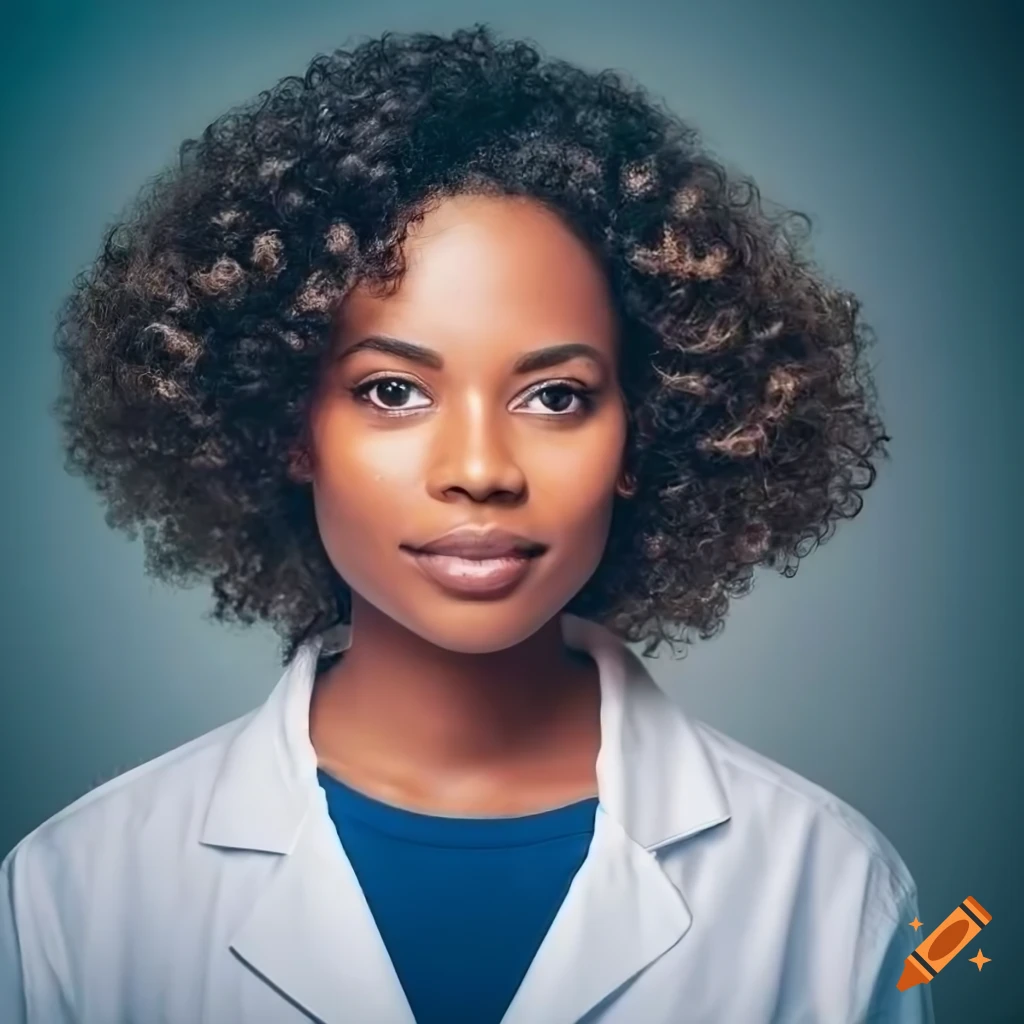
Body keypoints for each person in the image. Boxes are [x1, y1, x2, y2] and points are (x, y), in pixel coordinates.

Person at [0, 23, 934, 1024]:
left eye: (556, 397)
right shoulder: (73, 894)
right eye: (394, 390)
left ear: (646, 428)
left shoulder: (833, 892)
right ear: (285, 423)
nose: (481, 470)